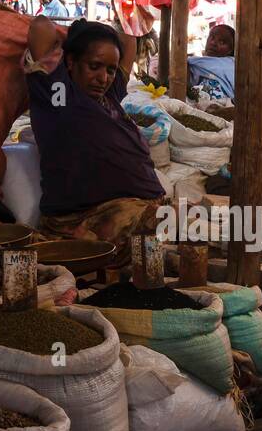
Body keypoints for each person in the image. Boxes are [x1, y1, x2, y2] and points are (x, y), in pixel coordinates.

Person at [25, 16, 166, 254]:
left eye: (111, 70)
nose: (103, 78)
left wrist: (91, 34)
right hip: (87, 218)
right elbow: (41, 27)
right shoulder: (58, 93)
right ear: (70, 61)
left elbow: (128, 39)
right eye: (94, 66)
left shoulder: (110, 95)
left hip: (133, 208)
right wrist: (78, 34)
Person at [187, 23, 237, 101]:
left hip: (226, 106)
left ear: (230, 50)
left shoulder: (231, 64)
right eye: (212, 38)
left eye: (222, 42)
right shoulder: (195, 64)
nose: (213, 43)